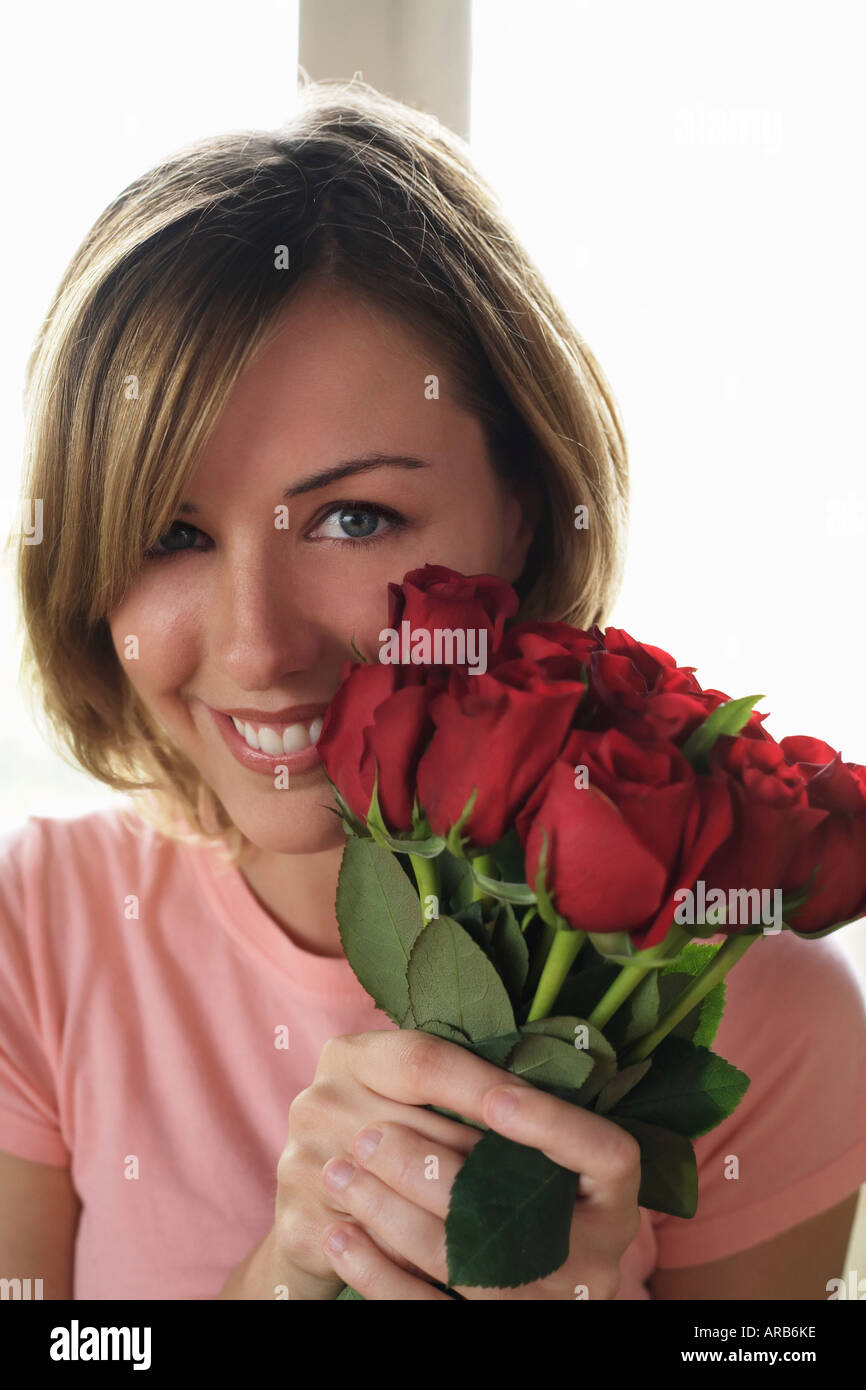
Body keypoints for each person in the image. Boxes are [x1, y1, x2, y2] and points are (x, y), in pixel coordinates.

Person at [2, 78, 864, 1302]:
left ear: (521, 512)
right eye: (167, 533)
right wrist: (289, 1282)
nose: (256, 645)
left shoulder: (756, 1014)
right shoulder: (34, 933)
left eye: (352, 517)